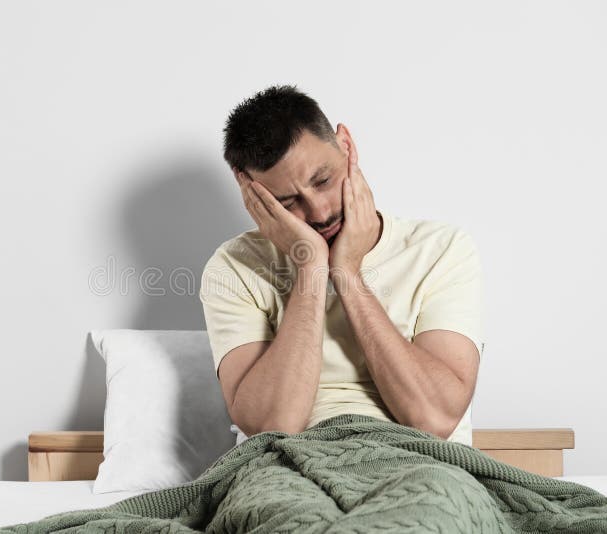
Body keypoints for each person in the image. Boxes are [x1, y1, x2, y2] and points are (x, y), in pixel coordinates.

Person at [199, 84, 484, 446]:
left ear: (346, 144)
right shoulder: (235, 268)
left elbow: (433, 419)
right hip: (287, 466)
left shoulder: (441, 250)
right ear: (252, 194)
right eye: (287, 202)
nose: (318, 212)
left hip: (421, 461)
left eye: (324, 180)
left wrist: (347, 273)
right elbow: (273, 428)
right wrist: (312, 268)